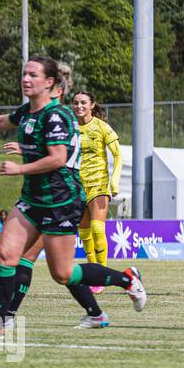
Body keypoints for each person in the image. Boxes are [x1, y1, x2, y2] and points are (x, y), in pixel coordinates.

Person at [0, 56, 146, 335]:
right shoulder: (28, 111)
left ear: (49, 83)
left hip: (61, 201)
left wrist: (19, 168)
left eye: (33, 75)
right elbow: (5, 120)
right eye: (24, 73)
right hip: (32, 199)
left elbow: (58, 158)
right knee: (6, 255)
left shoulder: (57, 115)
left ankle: (126, 279)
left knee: (63, 274)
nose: (26, 79)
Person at [71, 91, 121, 271]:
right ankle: (94, 271)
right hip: (77, 186)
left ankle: (103, 272)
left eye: (83, 103)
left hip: (98, 183)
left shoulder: (102, 127)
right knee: (84, 232)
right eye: (76, 103)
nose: (79, 106)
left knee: (98, 229)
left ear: (92, 105)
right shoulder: (70, 128)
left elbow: (117, 154)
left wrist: (114, 180)